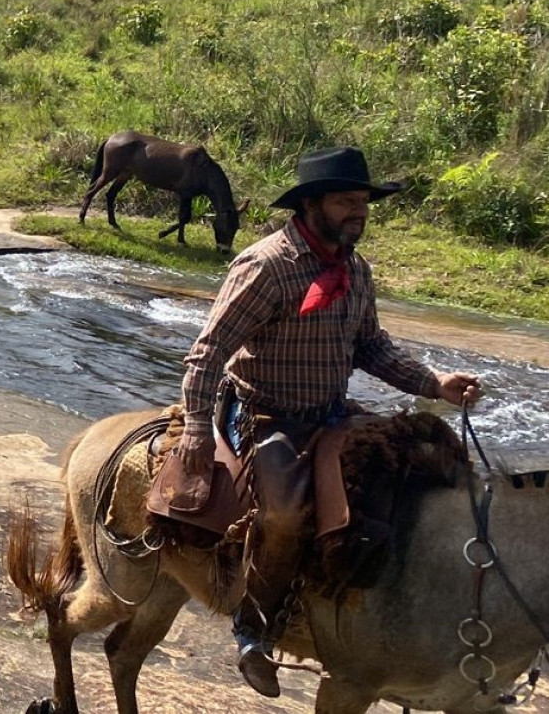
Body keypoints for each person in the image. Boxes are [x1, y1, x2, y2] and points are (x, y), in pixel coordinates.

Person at [166, 146, 481, 698]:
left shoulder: (355, 270)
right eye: (346, 202)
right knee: (286, 512)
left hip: (331, 412)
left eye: (363, 202)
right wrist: (195, 426)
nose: (359, 212)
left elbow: (372, 347)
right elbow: (207, 353)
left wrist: (435, 384)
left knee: (413, 473)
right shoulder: (266, 266)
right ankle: (253, 630)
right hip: (264, 413)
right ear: (311, 205)